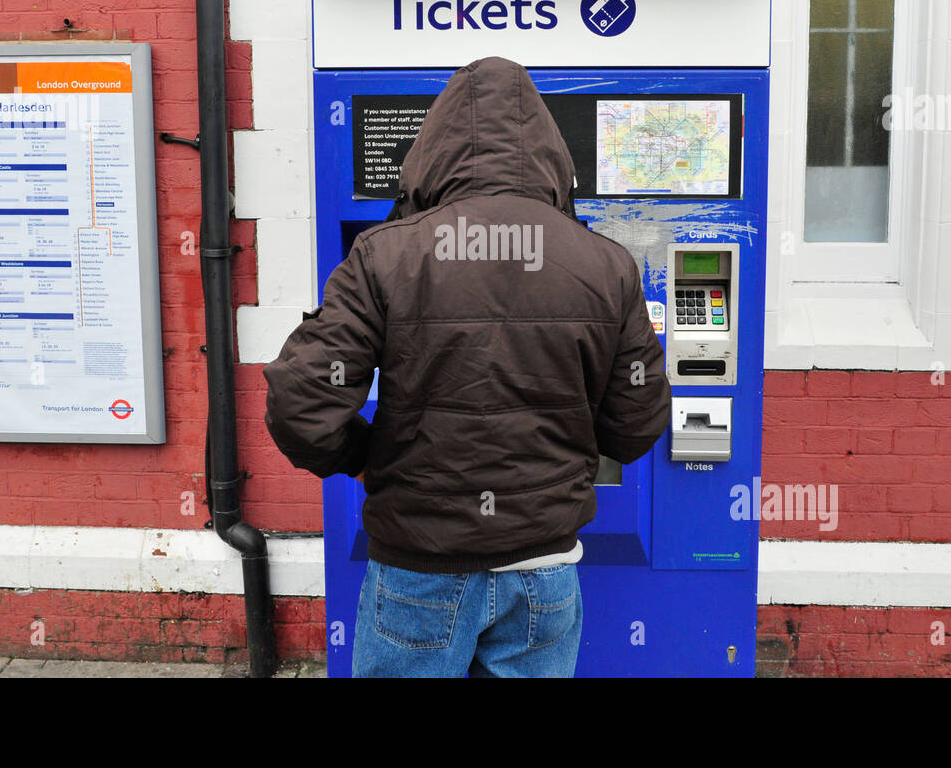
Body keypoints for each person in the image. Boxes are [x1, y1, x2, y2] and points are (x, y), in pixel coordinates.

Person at [263, 56, 670, 677]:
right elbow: (636, 423)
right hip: (544, 569)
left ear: (434, 149)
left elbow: (300, 400)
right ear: (549, 153)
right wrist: (576, 449)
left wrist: (365, 458)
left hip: (419, 565)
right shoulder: (606, 265)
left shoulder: (385, 255)